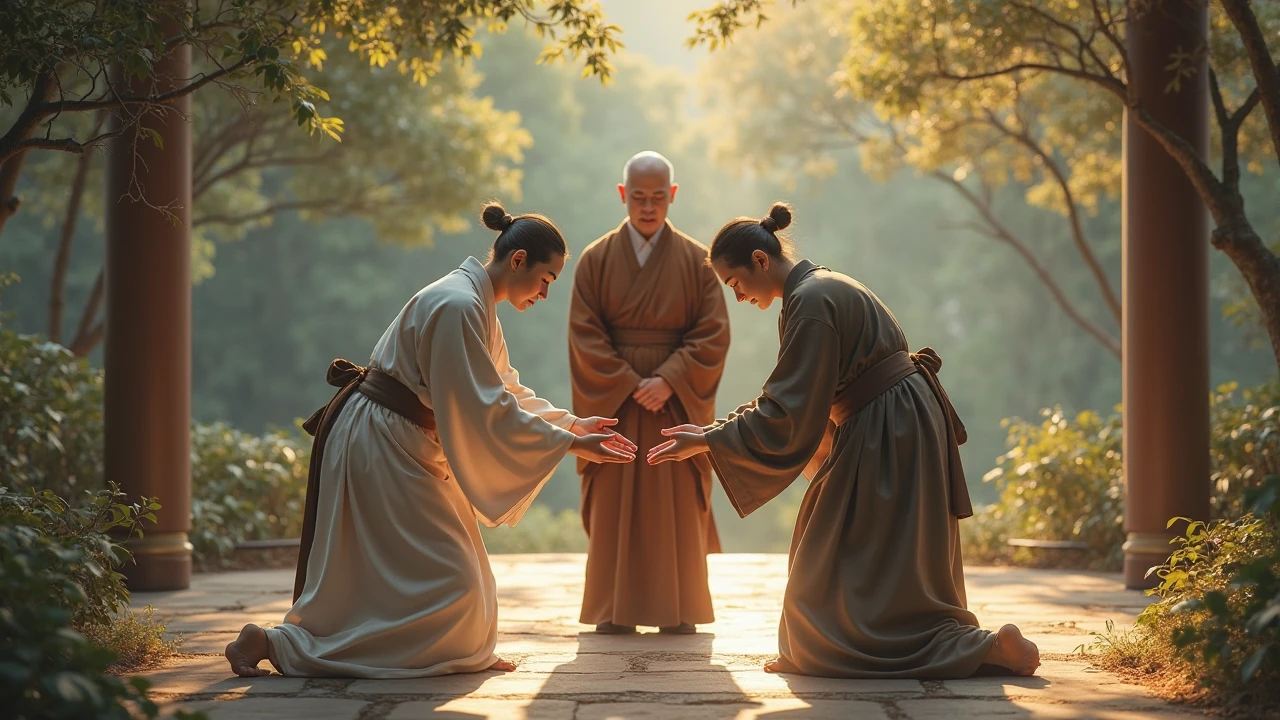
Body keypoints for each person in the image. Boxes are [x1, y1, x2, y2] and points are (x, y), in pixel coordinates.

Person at [224, 202, 637, 679]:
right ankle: (285, 647)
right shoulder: (460, 305)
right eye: (547, 278)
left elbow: (505, 388)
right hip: (382, 442)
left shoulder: (477, 305)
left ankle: (446, 652)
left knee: (465, 579)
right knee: (455, 583)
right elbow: (486, 406)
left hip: (402, 439)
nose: (546, 293)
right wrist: (568, 442)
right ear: (518, 260)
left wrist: (570, 424)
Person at [648, 202, 1040, 678]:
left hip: (887, 425)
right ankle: (969, 646)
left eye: (736, 284)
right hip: (896, 420)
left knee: (826, 554)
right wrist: (713, 435)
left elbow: (787, 407)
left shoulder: (810, 302)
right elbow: (794, 394)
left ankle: (978, 648)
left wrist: (710, 439)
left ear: (759, 259)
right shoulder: (818, 289)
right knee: (885, 555)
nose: (739, 297)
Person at [569, 151, 730, 635]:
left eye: (657, 197)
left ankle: (678, 609)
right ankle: (613, 608)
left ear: (672, 196)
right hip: (616, 403)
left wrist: (670, 379)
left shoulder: (696, 261)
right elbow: (584, 332)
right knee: (615, 493)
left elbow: (713, 332)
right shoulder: (596, 259)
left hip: (672, 402)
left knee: (675, 499)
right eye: (638, 197)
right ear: (623, 195)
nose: (647, 207)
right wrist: (625, 381)